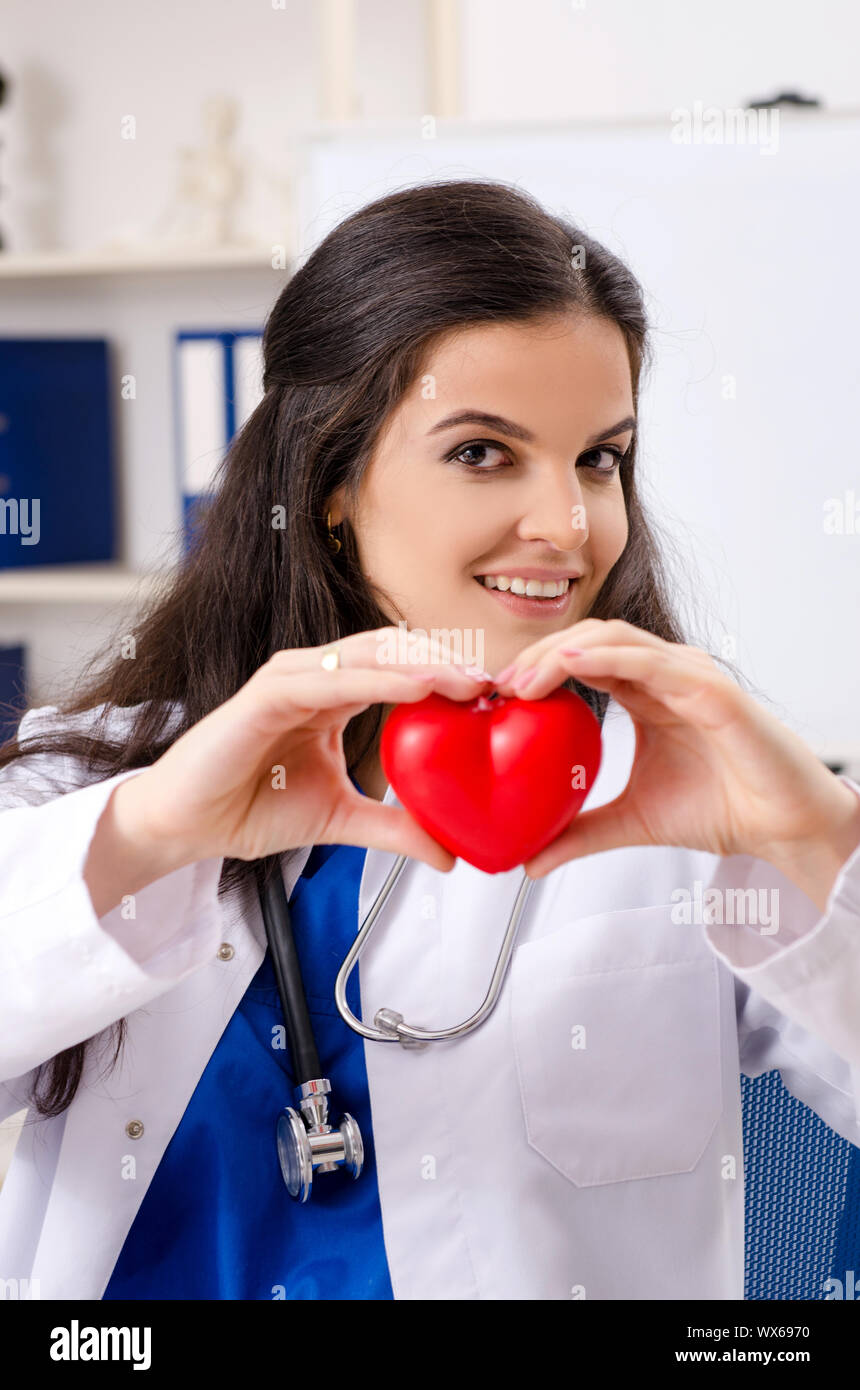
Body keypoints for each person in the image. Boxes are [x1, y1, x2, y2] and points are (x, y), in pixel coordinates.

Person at [1, 178, 859, 1301]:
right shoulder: (97, 777)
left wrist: (819, 843)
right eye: (481, 453)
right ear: (330, 484)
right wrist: (155, 831)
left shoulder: (687, 797)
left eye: (598, 457)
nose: (566, 523)